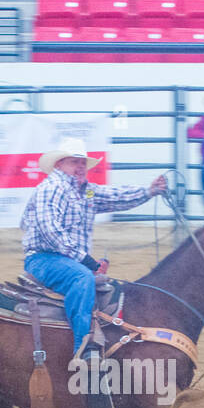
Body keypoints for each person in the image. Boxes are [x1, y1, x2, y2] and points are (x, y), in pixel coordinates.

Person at [19, 138, 166, 368]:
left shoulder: (84, 192)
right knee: (82, 278)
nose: (79, 167)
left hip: (66, 259)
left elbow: (114, 197)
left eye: (82, 163)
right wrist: (84, 260)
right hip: (42, 259)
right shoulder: (51, 188)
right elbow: (50, 231)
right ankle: (84, 347)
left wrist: (148, 191)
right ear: (59, 165)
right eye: (73, 162)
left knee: (97, 282)